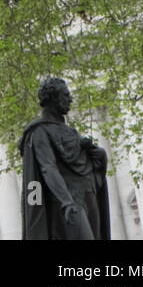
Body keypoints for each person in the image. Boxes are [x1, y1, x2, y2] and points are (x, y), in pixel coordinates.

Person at [19, 77, 111, 240]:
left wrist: (99, 154)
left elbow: (88, 168)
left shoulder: (71, 132)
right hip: (69, 200)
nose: (70, 99)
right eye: (65, 95)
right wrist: (66, 201)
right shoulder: (39, 131)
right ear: (53, 98)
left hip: (88, 196)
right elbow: (48, 168)